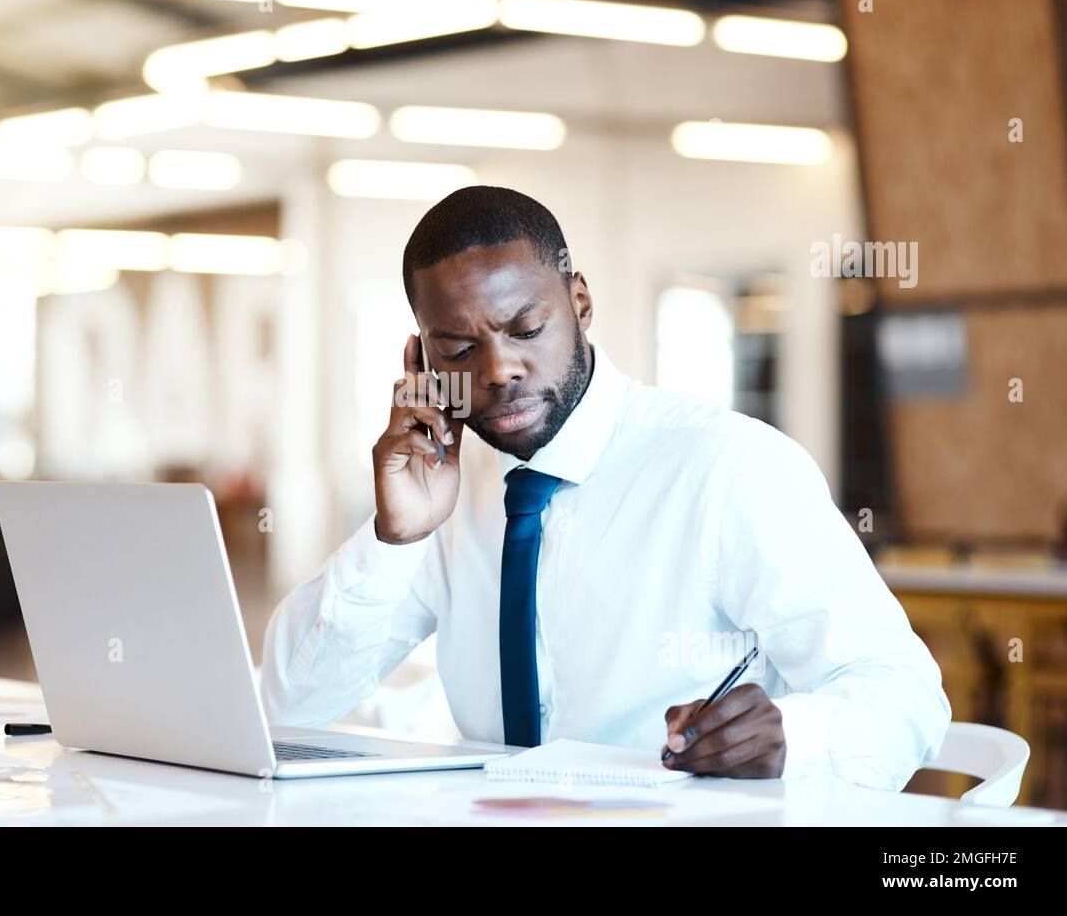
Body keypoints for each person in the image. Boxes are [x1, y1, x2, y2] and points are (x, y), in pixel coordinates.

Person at [261, 185, 950, 788]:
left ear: (581, 302)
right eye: (459, 349)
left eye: (526, 328)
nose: (500, 369)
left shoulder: (730, 468)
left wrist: (793, 737)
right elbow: (291, 702)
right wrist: (394, 538)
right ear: (420, 357)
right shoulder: (447, 488)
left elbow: (905, 691)